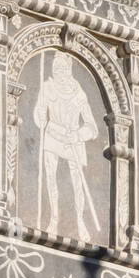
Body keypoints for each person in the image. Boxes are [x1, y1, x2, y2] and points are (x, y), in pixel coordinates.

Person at [33, 53, 98, 240]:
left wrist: (77, 135)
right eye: (57, 69)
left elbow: (92, 127)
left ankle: (79, 221)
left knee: (77, 184)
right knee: (51, 178)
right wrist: (41, 118)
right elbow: (39, 112)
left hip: (73, 139)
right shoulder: (48, 87)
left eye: (63, 69)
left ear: (69, 70)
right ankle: (53, 219)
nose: (60, 72)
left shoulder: (78, 94)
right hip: (52, 135)